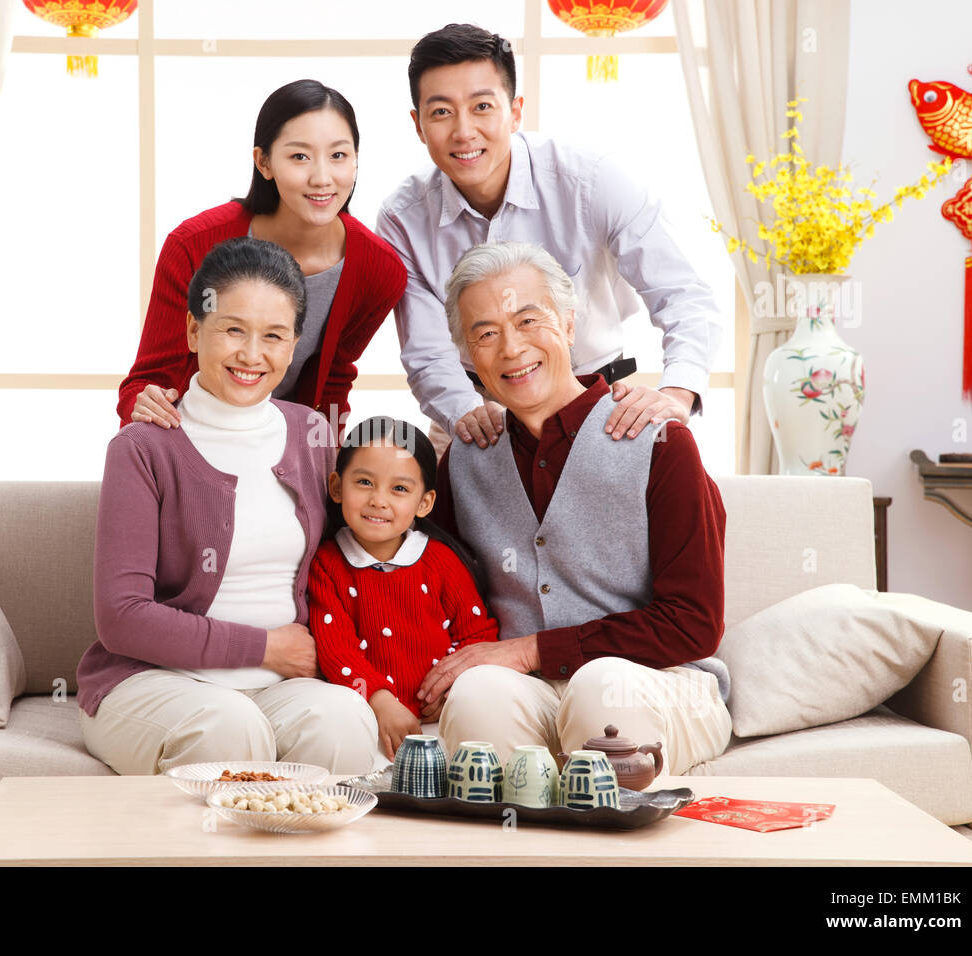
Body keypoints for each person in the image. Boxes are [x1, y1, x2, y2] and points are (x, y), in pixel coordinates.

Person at [423, 241, 732, 780]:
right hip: (533, 693)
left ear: (568, 324)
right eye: (486, 333)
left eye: (528, 320)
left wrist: (531, 650)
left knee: (598, 690)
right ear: (468, 358)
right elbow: (435, 592)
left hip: (661, 684)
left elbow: (694, 624)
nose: (512, 348)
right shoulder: (468, 457)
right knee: (476, 696)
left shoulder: (658, 441)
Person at [78, 237, 382, 775]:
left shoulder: (310, 433)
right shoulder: (143, 446)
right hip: (156, 681)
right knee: (227, 728)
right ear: (195, 330)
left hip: (279, 686)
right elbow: (122, 620)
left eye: (273, 336)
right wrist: (264, 648)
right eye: (233, 329)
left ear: (292, 347)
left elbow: (349, 556)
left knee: (343, 720)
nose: (251, 354)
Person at [377, 23, 723, 457]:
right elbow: (427, 352)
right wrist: (470, 416)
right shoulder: (402, 218)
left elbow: (684, 296)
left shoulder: (591, 181)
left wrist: (677, 393)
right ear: (418, 124)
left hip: (597, 402)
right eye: (441, 112)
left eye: (482, 106)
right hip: (476, 414)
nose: (464, 132)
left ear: (516, 110)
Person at [118, 79, 406, 434]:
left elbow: (334, 381)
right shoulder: (192, 245)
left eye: (339, 155)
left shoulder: (381, 271)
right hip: (190, 436)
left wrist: (325, 466)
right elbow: (147, 383)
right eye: (299, 156)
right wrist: (142, 405)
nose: (322, 177)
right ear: (264, 162)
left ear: (356, 161)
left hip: (281, 445)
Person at [308, 415, 498, 760]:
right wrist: (380, 702)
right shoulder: (327, 564)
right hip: (366, 719)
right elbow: (336, 648)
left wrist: (451, 687)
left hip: (444, 719)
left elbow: (477, 634)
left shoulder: (440, 561)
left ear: (424, 503)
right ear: (336, 486)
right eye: (364, 482)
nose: (379, 500)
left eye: (399, 489)